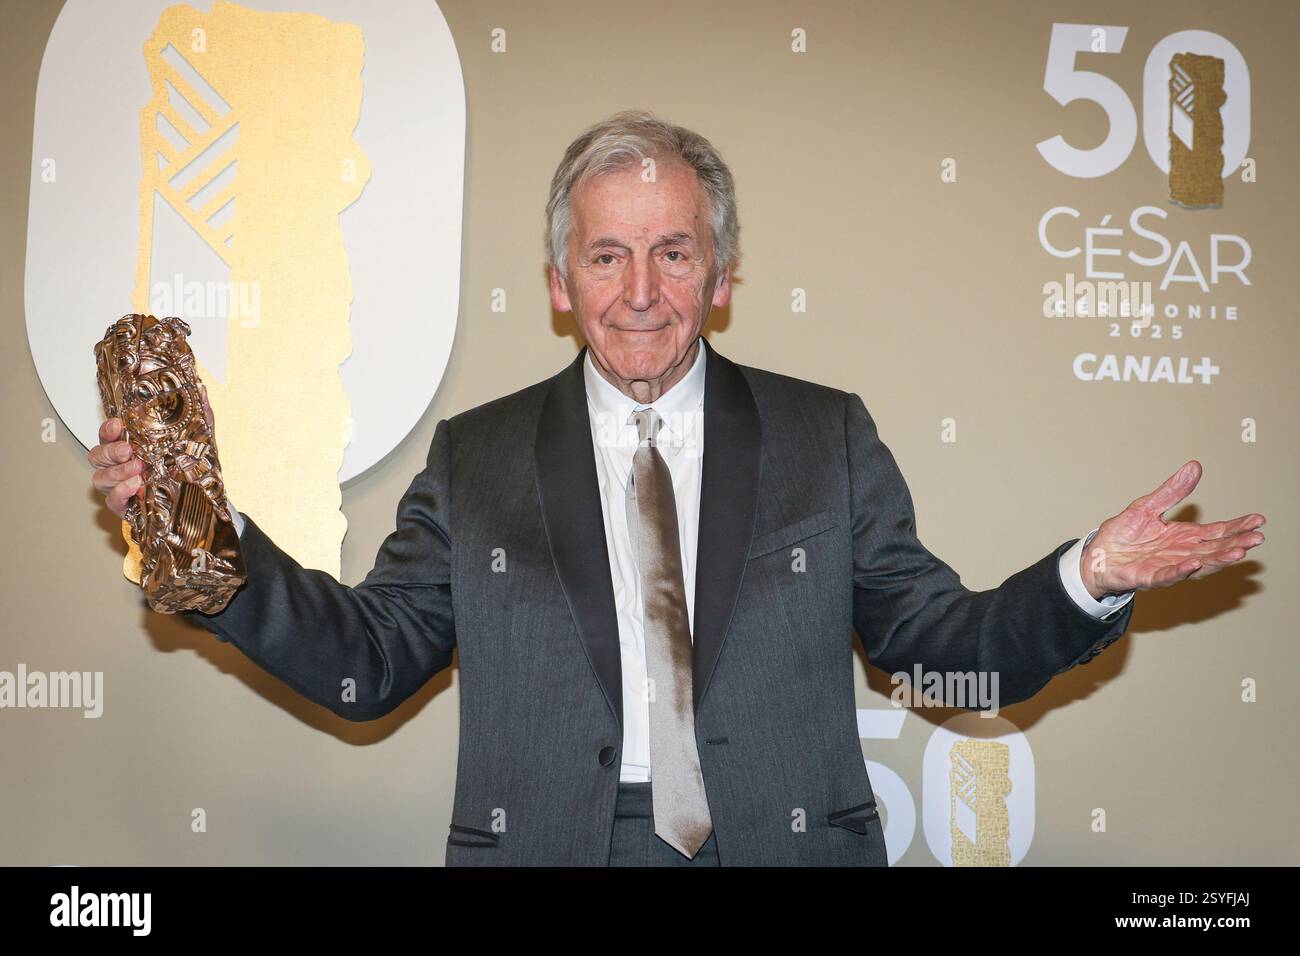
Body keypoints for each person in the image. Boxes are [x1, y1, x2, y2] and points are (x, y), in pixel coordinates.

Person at [87, 111, 1266, 866]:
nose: (640, 289)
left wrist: (1087, 577)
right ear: (559, 280)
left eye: (673, 250)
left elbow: (936, 648)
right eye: (607, 254)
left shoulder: (825, 433)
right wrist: (200, 532)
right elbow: (369, 662)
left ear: (721, 271)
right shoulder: (475, 455)